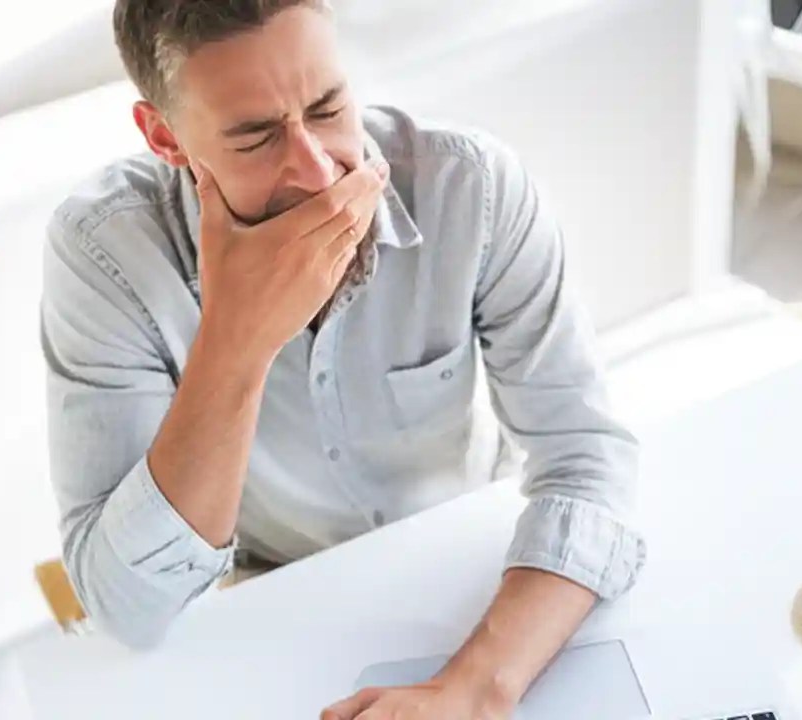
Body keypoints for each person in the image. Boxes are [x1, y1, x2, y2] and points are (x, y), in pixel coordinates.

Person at [40, 1, 646, 717]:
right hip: (271, 594)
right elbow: (126, 609)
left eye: (327, 107)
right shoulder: (106, 252)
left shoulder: (471, 189)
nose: (317, 169)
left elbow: (589, 460)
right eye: (256, 137)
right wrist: (236, 340)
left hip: (471, 565)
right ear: (166, 138)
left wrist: (478, 690)